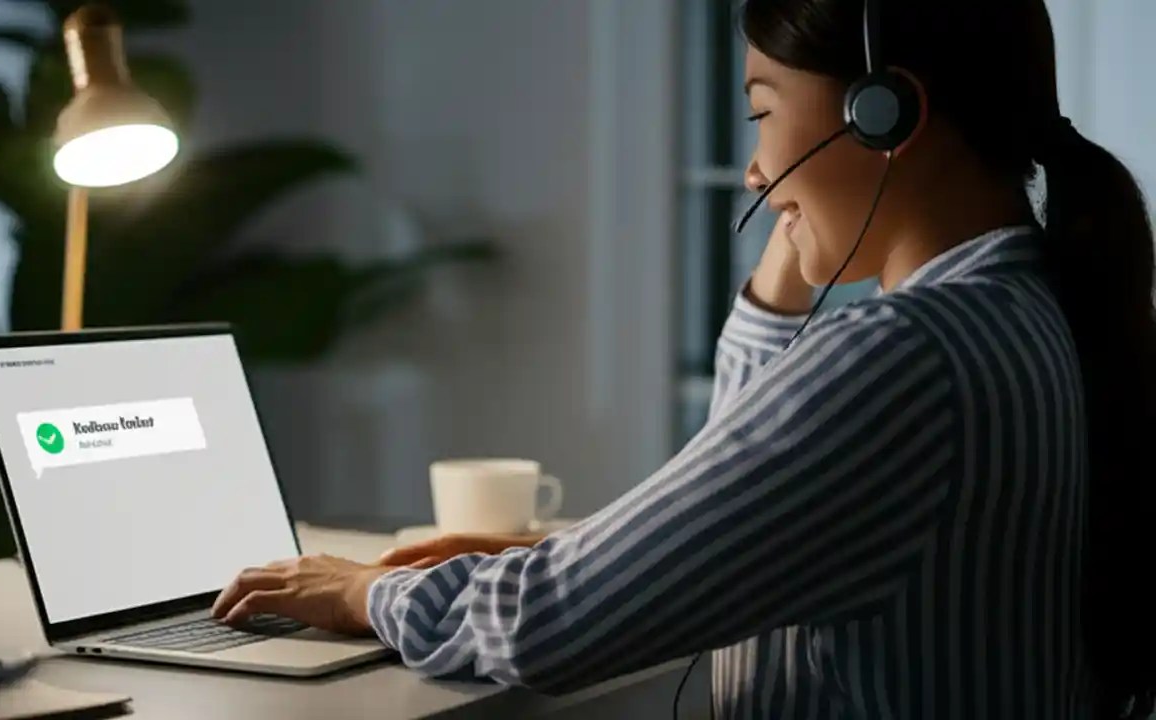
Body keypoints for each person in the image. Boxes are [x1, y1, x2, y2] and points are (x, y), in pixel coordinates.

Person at [211, 0, 1156, 717]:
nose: (752, 167)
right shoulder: (1034, 307)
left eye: (762, 112)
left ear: (882, 113)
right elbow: (756, 481)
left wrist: (367, 589)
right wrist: (801, 227)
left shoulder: (904, 357)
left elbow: (548, 627)